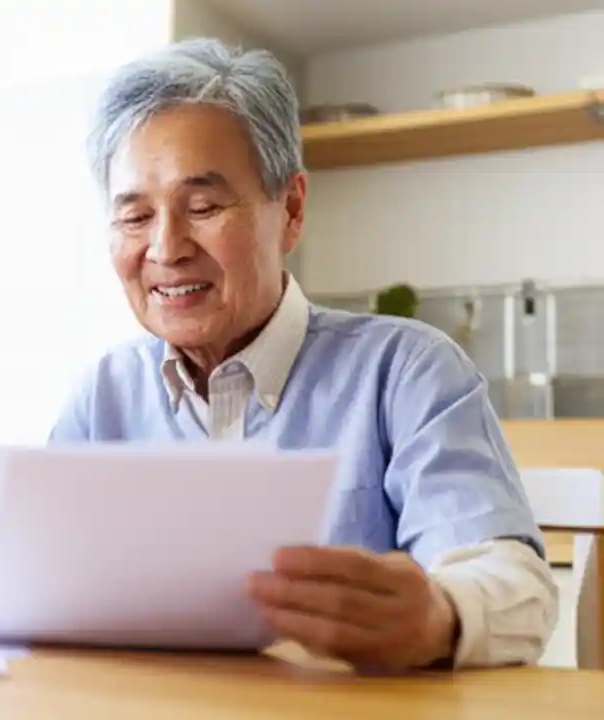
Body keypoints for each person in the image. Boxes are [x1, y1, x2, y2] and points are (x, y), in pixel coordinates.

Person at [52, 38, 556, 669]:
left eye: (203, 207)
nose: (166, 247)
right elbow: (37, 588)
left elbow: (515, 583)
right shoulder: (103, 396)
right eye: (134, 217)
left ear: (290, 209)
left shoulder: (407, 371)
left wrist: (440, 615)